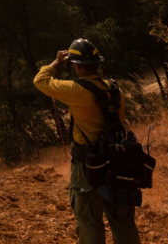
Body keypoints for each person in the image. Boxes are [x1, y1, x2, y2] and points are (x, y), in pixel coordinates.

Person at [34, 38, 141, 244]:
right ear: (98, 64)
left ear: (77, 67)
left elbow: (40, 81)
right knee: (123, 221)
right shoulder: (115, 89)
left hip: (87, 164)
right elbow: (120, 120)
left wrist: (56, 63)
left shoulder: (76, 90)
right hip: (119, 162)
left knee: (89, 221)